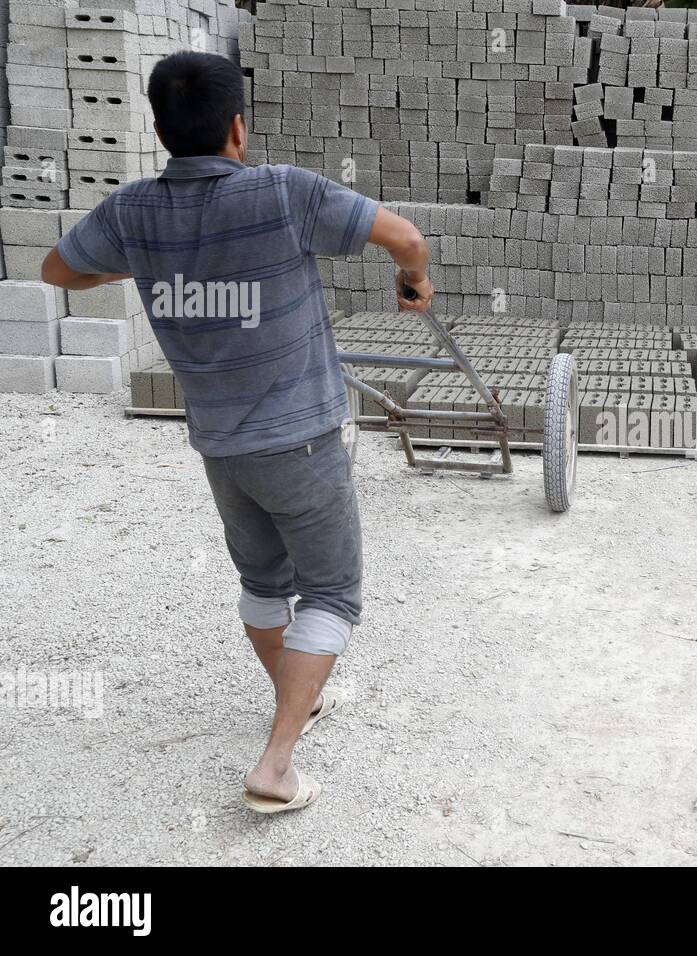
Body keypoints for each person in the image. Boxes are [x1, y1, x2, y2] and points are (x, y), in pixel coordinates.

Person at [41, 50, 435, 814]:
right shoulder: (285, 193)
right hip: (305, 443)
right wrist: (412, 284)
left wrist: (148, 268)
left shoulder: (132, 212)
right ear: (238, 128)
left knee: (263, 584)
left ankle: (297, 698)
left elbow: (59, 270)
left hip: (220, 445)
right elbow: (408, 239)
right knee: (331, 595)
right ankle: (277, 764)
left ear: (158, 130)